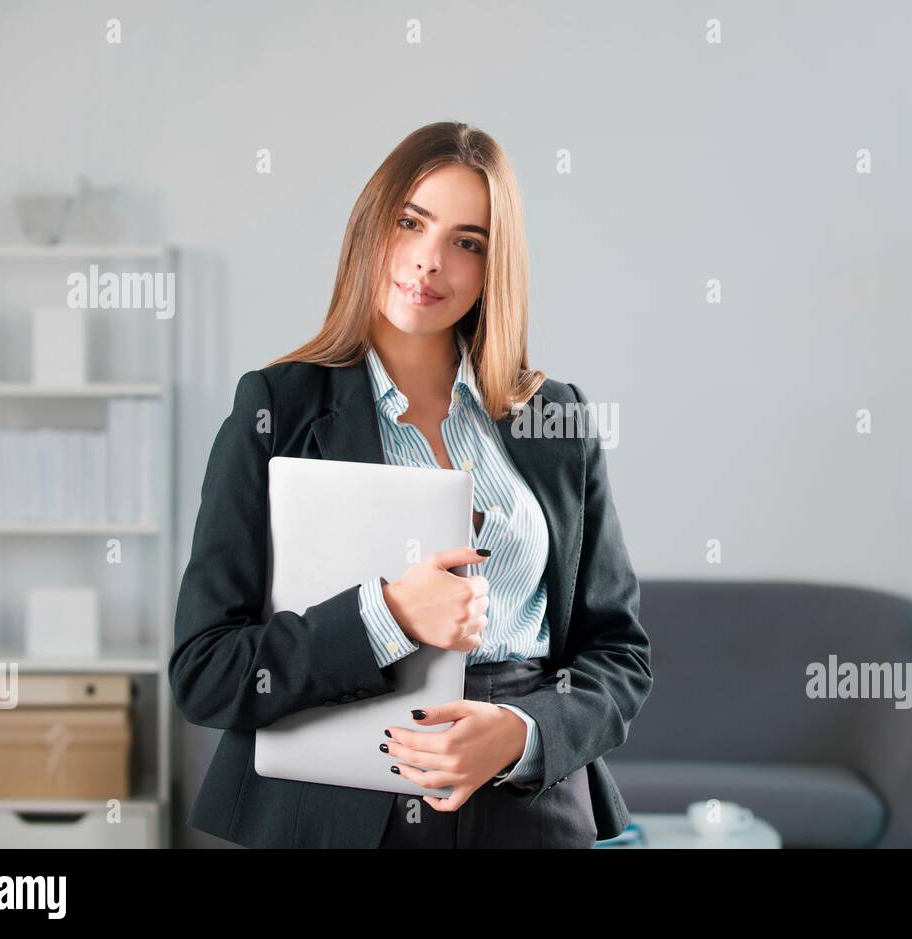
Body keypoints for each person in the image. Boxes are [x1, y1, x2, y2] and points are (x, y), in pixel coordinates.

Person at [170, 121, 652, 848]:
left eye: (468, 241)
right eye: (410, 222)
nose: (429, 262)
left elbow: (618, 653)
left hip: (528, 807)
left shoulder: (557, 417)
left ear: (495, 266)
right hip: (337, 810)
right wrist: (387, 612)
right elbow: (206, 671)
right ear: (372, 225)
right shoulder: (276, 408)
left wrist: (523, 733)